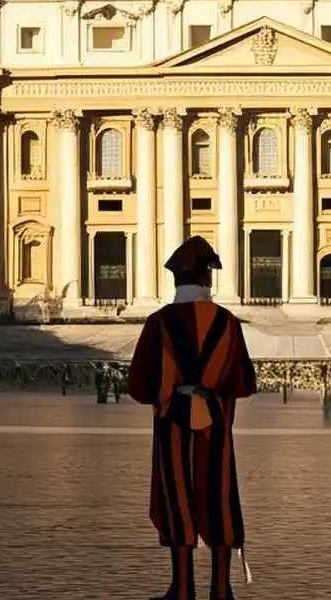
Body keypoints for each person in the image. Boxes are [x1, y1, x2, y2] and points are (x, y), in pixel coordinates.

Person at [129, 236, 258, 600]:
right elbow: (244, 381)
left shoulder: (158, 323)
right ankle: (221, 589)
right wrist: (210, 388)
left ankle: (182, 589)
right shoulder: (228, 322)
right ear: (206, 280)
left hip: (172, 423)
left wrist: (173, 390)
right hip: (215, 424)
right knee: (218, 498)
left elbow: (139, 383)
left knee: (177, 499)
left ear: (175, 281)